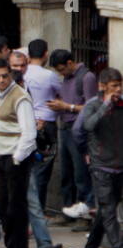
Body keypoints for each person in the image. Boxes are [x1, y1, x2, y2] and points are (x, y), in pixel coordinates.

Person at [0, 56, 36, 248]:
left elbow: (29, 133)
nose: (1, 80)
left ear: (10, 74)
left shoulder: (20, 97)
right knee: (2, 206)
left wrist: (16, 158)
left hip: (15, 159)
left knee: (15, 207)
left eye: (4, 76)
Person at [20, 39, 64, 248]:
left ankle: (36, 232)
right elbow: (61, 93)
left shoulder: (24, 74)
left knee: (31, 183)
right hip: (45, 125)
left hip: (31, 128)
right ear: (46, 54)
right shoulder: (49, 76)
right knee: (40, 175)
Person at [79, 69, 123, 248]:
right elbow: (86, 126)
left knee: (107, 209)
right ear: (103, 86)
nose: (118, 90)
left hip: (119, 164)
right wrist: (105, 105)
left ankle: (91, 246)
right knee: (109, 208)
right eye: (114, 86)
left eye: (120, 85)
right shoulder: (93, 105)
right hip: (101, 166)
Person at [49, 48, 96, 218]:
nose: (61, 73)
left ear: (70, 63)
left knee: (81, 174)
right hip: (64, 128)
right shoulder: (66, 79)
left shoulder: (86, 77)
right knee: (66, 173)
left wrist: (67, 107)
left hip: (78, 131)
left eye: (62, 69)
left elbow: (91, 107)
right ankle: (68, 210)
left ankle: (86, 212)